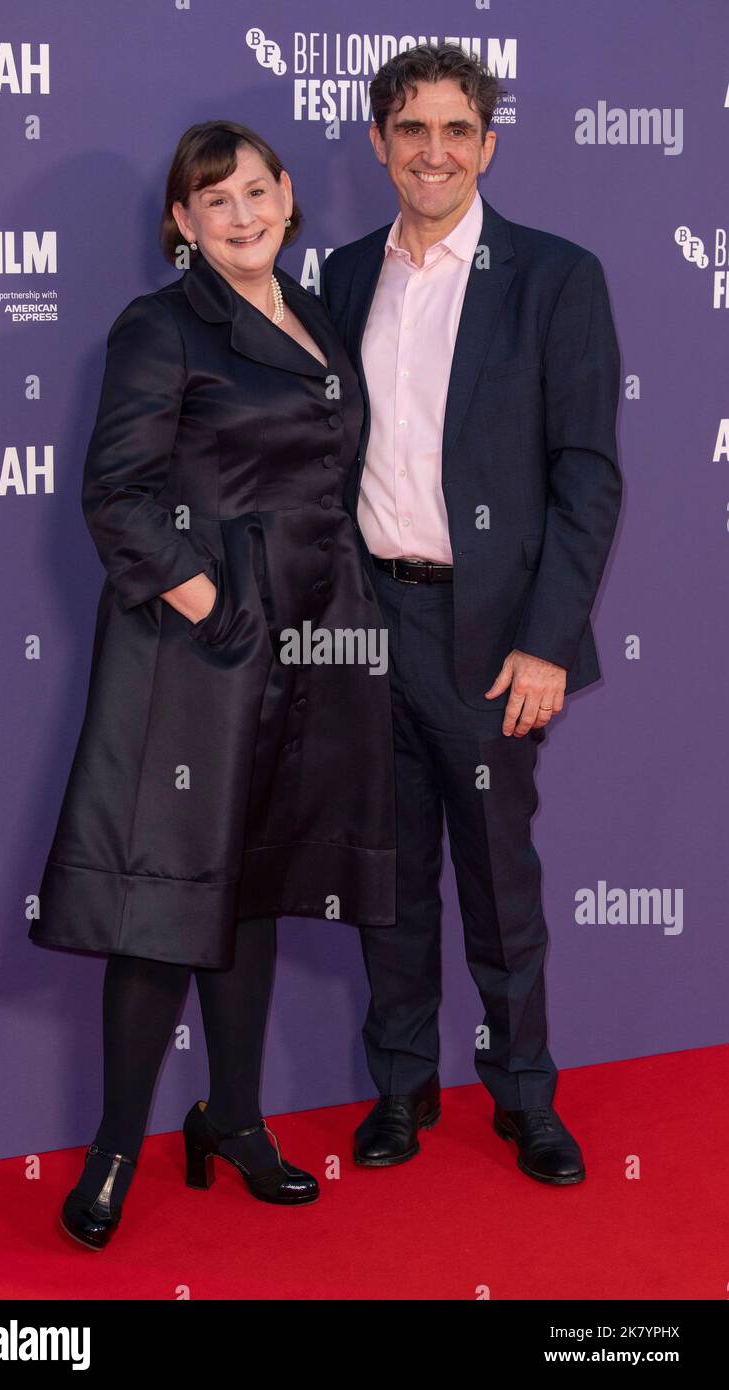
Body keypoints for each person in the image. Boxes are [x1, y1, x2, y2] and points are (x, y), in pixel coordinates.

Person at [29, 120, 396, 1248]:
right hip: (197, 654)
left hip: (313, 643)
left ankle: (233, 1123)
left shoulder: (318, 317)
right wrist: (216, 606)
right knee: (166, 896)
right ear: (182, 224)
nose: (240, 216)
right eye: (213, 202)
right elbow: (119, 496)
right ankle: (112, 1152)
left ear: (287, 195)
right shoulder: (160, 326)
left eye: (253, 192)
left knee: (254, 884)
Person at [321, 44, 621, 1184]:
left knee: (501, 886)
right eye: (410, 130)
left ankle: (525, 1100)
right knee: (384, 877)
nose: (432, 152)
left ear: (487, 145)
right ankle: (400, 1090)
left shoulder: (553, 276)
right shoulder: (344, 277)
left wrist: (547, 640)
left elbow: (587, 476)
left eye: (455, 130)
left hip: (492, 640)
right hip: (365, 629)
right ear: (379, 145)